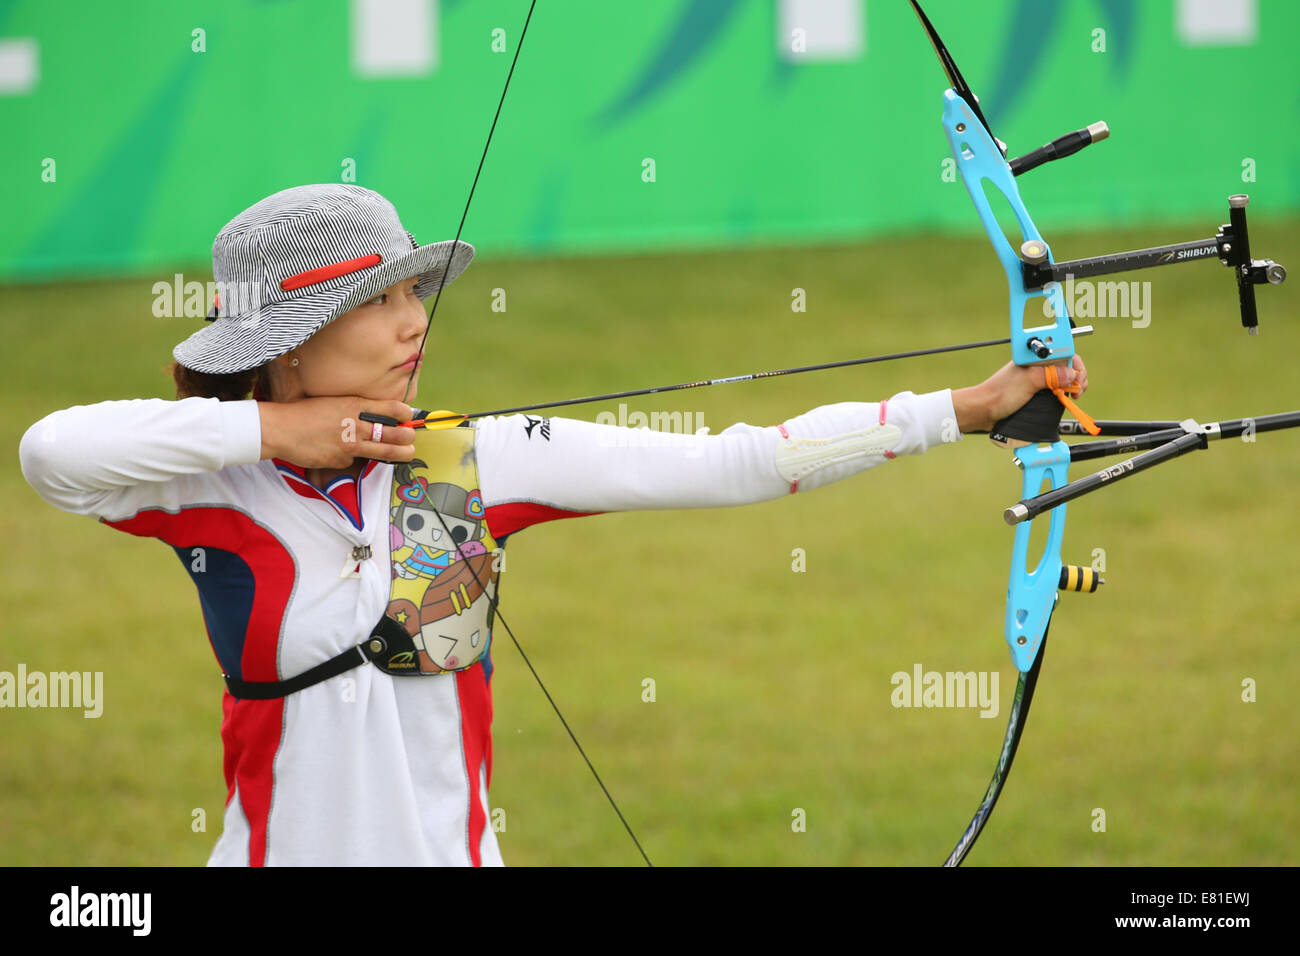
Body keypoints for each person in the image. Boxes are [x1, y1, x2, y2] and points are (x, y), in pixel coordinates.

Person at [18, 183, 1087, 866]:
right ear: (290, 344)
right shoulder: (218, 487)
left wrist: (966, 408)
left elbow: (737, 460)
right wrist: (278, 430)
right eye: (377, 302)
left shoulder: (465, 461)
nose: (413, 319)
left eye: (413, 292)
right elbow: (51, 452)